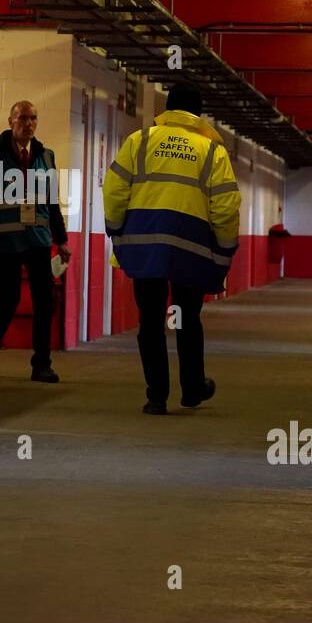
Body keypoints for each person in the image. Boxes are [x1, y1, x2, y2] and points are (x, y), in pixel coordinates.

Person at [103, 83, 240, 415]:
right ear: (197, 115)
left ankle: (156, 396)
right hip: (190, 250)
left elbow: (114, 190)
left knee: (150, 322)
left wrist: (117, 229)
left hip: (146, 246)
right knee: (187, 319)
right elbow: (225, 207)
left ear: (168, 110)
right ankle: (192, 389)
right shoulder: (211, 150)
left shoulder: (140, 140)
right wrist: (224, 250)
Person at [0, 100, 72, 383]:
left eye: (33, 119)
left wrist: (62, 240)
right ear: (10, 121)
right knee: (9, 297)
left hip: (38, 239)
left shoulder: (47, 157)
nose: (28, 124)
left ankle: (41, 363)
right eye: (22, 119)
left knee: (44, 300)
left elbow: (52, 203)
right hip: (5, 239)